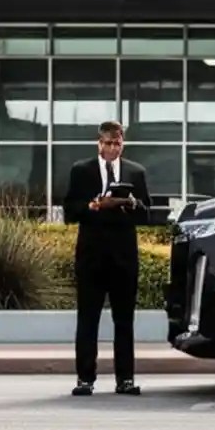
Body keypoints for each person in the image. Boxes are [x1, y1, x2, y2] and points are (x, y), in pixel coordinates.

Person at [62, 120, 152, 396]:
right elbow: (69, 211)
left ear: (123, 143)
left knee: (124, 321)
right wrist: (94, 205)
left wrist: (131, 204)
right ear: (99, 143)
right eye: (108, 143)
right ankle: (85, 379)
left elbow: (147, 214)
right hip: (91, 256)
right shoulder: (82, 171)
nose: (113, 148)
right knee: (87, 320)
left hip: (124, 257)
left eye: (118, 143)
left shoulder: (136, 172)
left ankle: (125, 379)